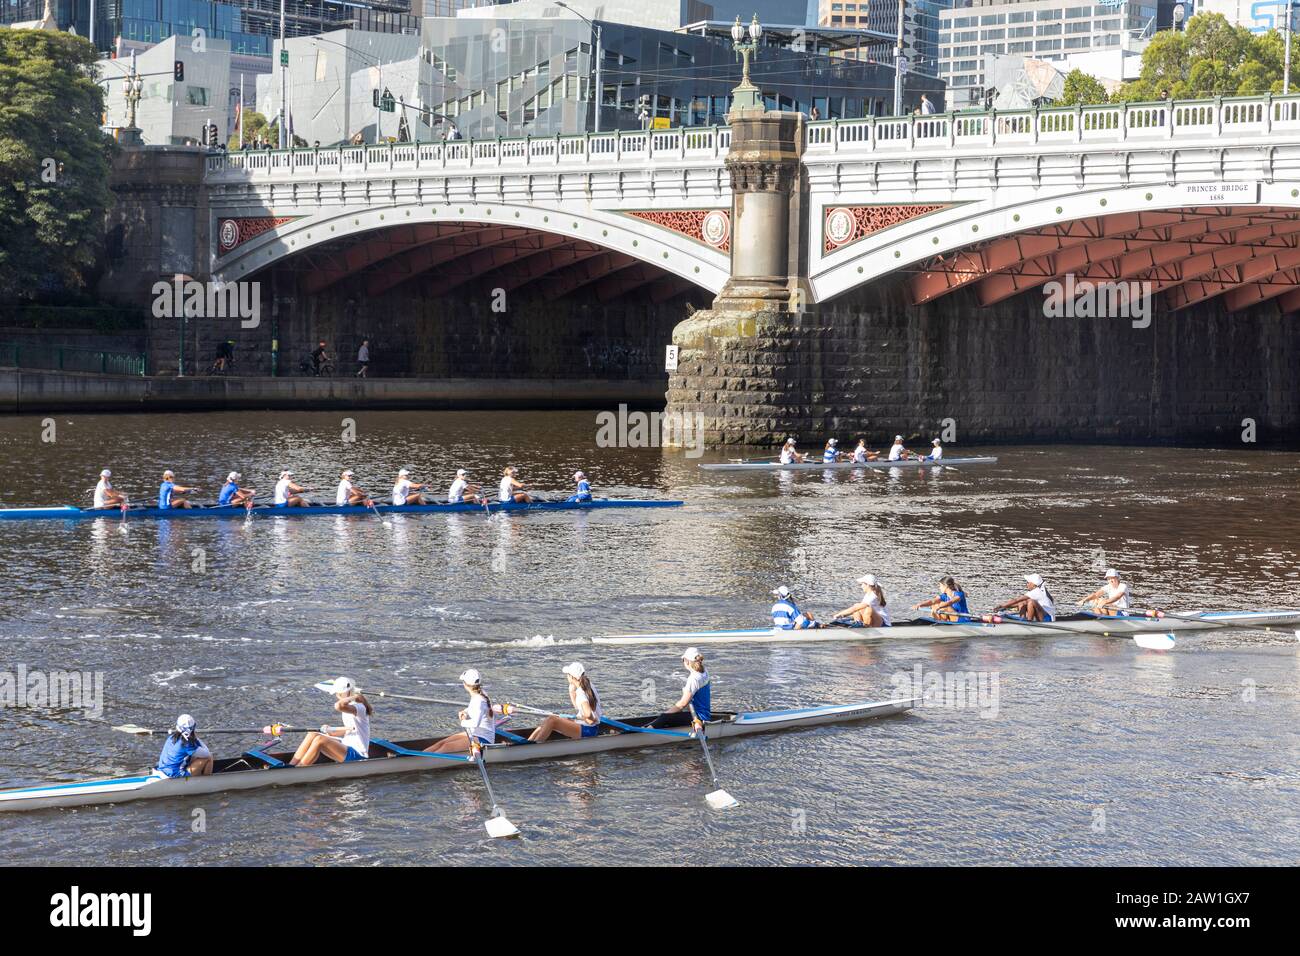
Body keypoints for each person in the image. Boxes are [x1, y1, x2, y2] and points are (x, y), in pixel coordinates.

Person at [290, 677, 372, 766]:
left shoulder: (359, 707)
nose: (337, 696)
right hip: (346, 746)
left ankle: (299, 768)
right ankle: (291, 766)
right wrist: (329, 731)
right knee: (313, 734)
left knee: (320, 740)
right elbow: (349, 730)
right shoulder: (350, 707)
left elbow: (338, 706)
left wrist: (355, 697)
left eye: (338, 693)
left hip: (357, 754)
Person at [425, 669, 507, 754]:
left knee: (447, 746)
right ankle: (416, 757)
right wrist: (465, 711)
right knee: (442, 743)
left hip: (483, 739)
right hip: (475, 733)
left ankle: (421, 762)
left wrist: (463, 721)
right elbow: (479, 709)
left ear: (465, 684)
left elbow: (476, 723)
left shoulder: (478, 700)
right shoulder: (481, 693)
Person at [528, 662, 603, 742]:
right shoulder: (588, 684)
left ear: (571, 676)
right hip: (588, 726)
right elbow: (578, 707)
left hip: (588, 730)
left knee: (552, 720)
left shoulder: (581, 693)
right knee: (549, 719)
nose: (566, 677)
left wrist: (589, 718)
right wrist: (571, 691)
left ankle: (533, 746)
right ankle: (529, 742)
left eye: (567, 674)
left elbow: (588, 714)